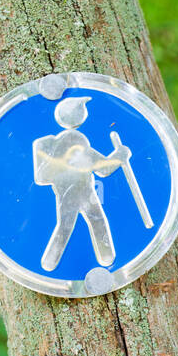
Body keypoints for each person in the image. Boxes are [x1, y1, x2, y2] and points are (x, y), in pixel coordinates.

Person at [32, 96, 130, 271]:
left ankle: (106, 257)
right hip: (67, 192)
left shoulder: (80, 144)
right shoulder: (47, 145)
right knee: (66, 226)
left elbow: (103, 168)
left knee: (96, 221)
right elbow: (42, 176)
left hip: (87, 191)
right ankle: (49, 262)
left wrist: (120, 155)